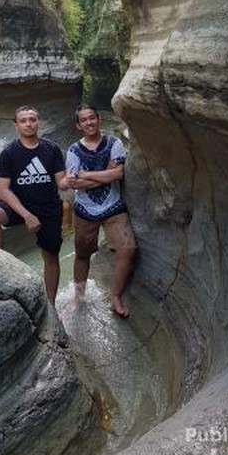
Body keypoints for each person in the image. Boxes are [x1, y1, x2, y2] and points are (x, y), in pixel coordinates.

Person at [0, 105, 68, 305]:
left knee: (51, 257)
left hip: (48, 207)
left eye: (32, 119)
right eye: (23, 120)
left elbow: (61, 182)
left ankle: (50, 305)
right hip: (19, 205)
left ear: (38, 122)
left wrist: (70, 181)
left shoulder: (51, 149)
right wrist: (27, 215)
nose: (28, 124)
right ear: (16, 125)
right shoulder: (9, 153)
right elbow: (3, 190)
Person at [65, 104, 137, 318]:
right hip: (85, 210)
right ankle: (79, 297)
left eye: (92, 118)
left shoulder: (113, 143)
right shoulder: (73, 150)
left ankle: (115, 297)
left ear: (99, 119)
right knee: (83, 255)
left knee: (127, 250)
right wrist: (104, 174)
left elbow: (118, 174)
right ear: (78, 125)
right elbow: (74, 184)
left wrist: (87, 175)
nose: (89, 122)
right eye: (84, 120)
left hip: (113, 207)